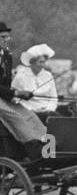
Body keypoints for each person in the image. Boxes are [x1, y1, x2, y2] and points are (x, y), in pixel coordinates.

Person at [0, 23, 47, 158]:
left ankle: (47, 146)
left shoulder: (7, 56)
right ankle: (32, 149)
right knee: (14, 116)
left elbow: (6, 84)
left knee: (29, 114)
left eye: (7, 37)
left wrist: (18, 95)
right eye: (3, 37)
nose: (6, 40)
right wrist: (14, 93)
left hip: (4, 95)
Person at [13, 44, 59, 119]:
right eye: (40, 62)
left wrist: (49, 109)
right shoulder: (20, 76)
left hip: (47, 112)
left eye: (44, 62)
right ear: (32, 62)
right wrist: (30, 109)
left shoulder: (48, 75)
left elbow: (54, 98)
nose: (43, 65)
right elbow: (15, 97)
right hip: (28, 113)